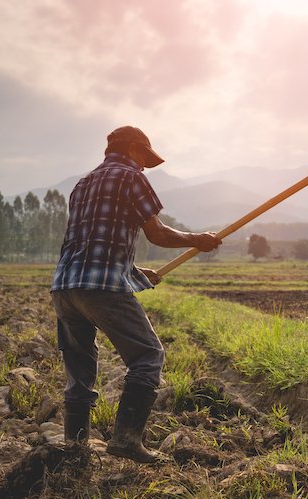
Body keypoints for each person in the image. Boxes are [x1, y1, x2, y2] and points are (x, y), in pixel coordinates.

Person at [50, 126, 221, 463]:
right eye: (144, 157)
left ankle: (75, 449)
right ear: (132, 150)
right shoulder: (131, 178)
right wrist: (196, 239)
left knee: (80, 369)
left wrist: (139, 274)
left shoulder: (82, 184)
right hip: (101, 289)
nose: (144, 166)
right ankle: (127, 441)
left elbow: (97, 243)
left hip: (65, 287)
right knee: (148, 356)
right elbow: (156, 233)